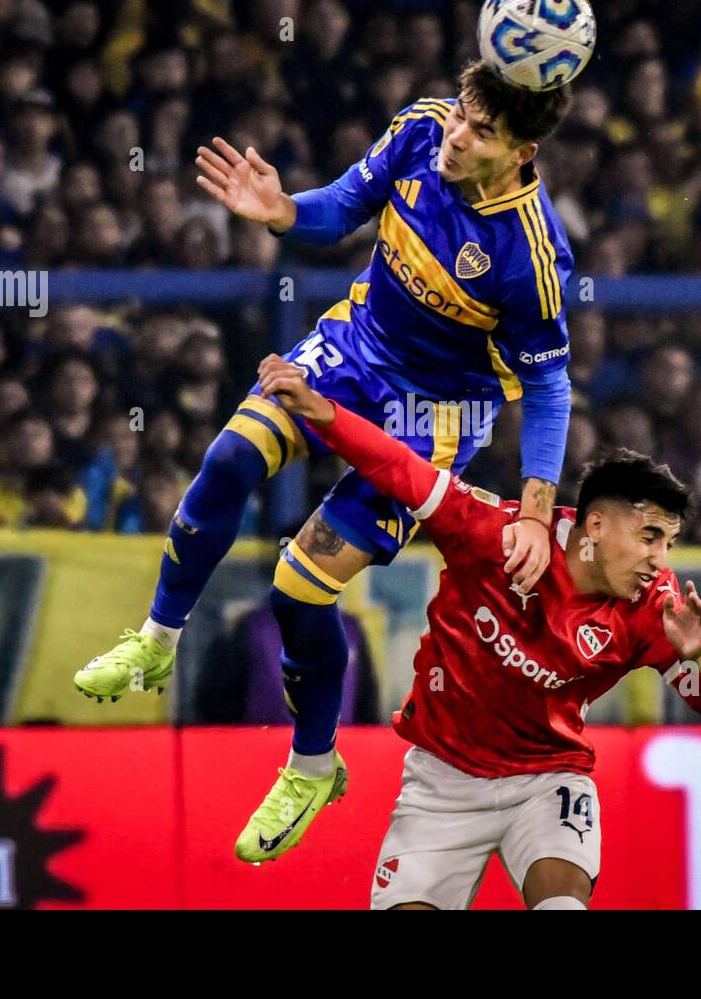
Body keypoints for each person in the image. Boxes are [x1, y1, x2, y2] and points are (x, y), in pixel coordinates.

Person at [74, 61, 576, 864]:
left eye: (480, 132)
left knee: (298, 589)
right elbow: (341, 206)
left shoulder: (531, 254)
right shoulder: (422, 128)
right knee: (230, 458)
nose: (456, 135)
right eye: (462, 115)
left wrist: (540, 510)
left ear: (521, 150)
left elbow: (549, 388)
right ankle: (158, 638)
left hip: (433, 419)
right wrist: (279, 211)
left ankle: (312, 765)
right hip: (352, 348)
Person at [255, 355, 701, 908]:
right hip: (442, 781)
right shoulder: (495, 534)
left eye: (668, 543)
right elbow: (397, 467)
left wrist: (698, 659)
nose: (659, 557)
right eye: (650, 535)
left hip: (548, 780)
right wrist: (319, 409)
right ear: (596, 526)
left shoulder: (657, 605)